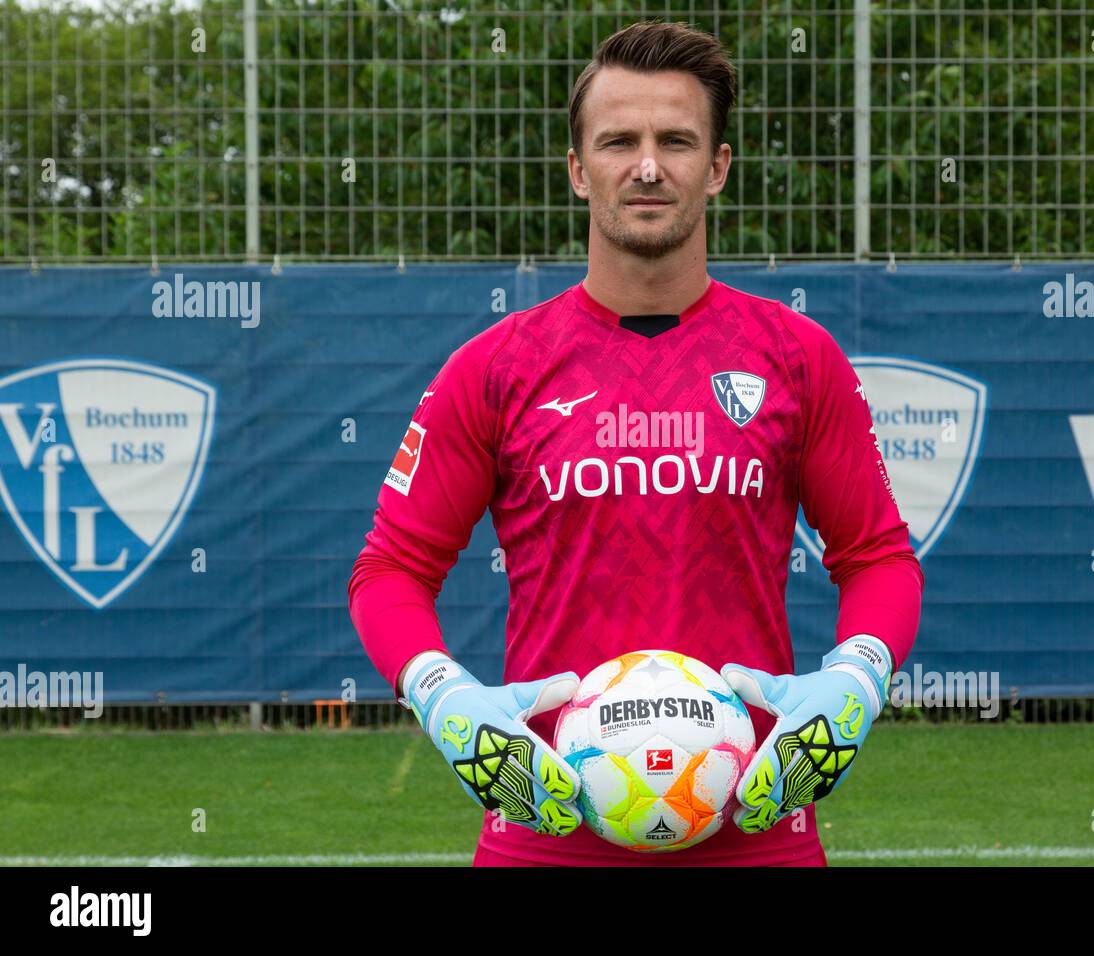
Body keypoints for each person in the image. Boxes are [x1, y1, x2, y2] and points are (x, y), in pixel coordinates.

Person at [348, 19, 923, 866]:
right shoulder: (496, 368)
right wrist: (442, 696)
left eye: (676, 141)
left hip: (757, 834)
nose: (647, 166)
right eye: (619, 141)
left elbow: (879, 555)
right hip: (544, 836)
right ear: (579, 170)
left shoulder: (798, 358)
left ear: (718, 167)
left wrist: (860, 675)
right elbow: (390, 569)